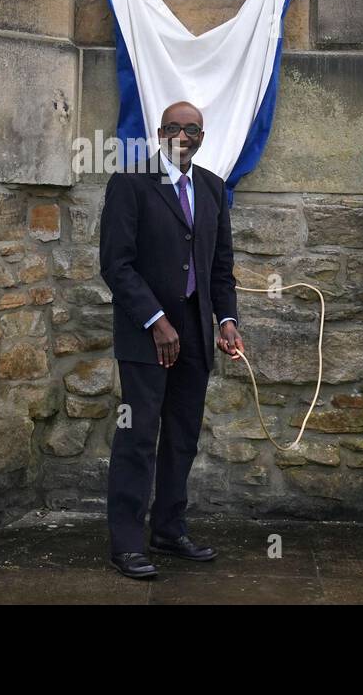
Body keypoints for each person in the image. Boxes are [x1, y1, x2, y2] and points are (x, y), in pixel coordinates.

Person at [99, 101, 243, 579]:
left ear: (203, 135)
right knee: (138, 438)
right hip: (147, 336)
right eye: (175, 127)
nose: (184, 135)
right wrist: (156, 320)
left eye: (193, 128)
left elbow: (220, 269)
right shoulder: (131, 184)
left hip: (198, 336)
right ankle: (126, 543)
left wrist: (226, 320)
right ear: (160, 133)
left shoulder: (213, 188)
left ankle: (168, 529)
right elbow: (116, 265)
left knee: (181, 437)